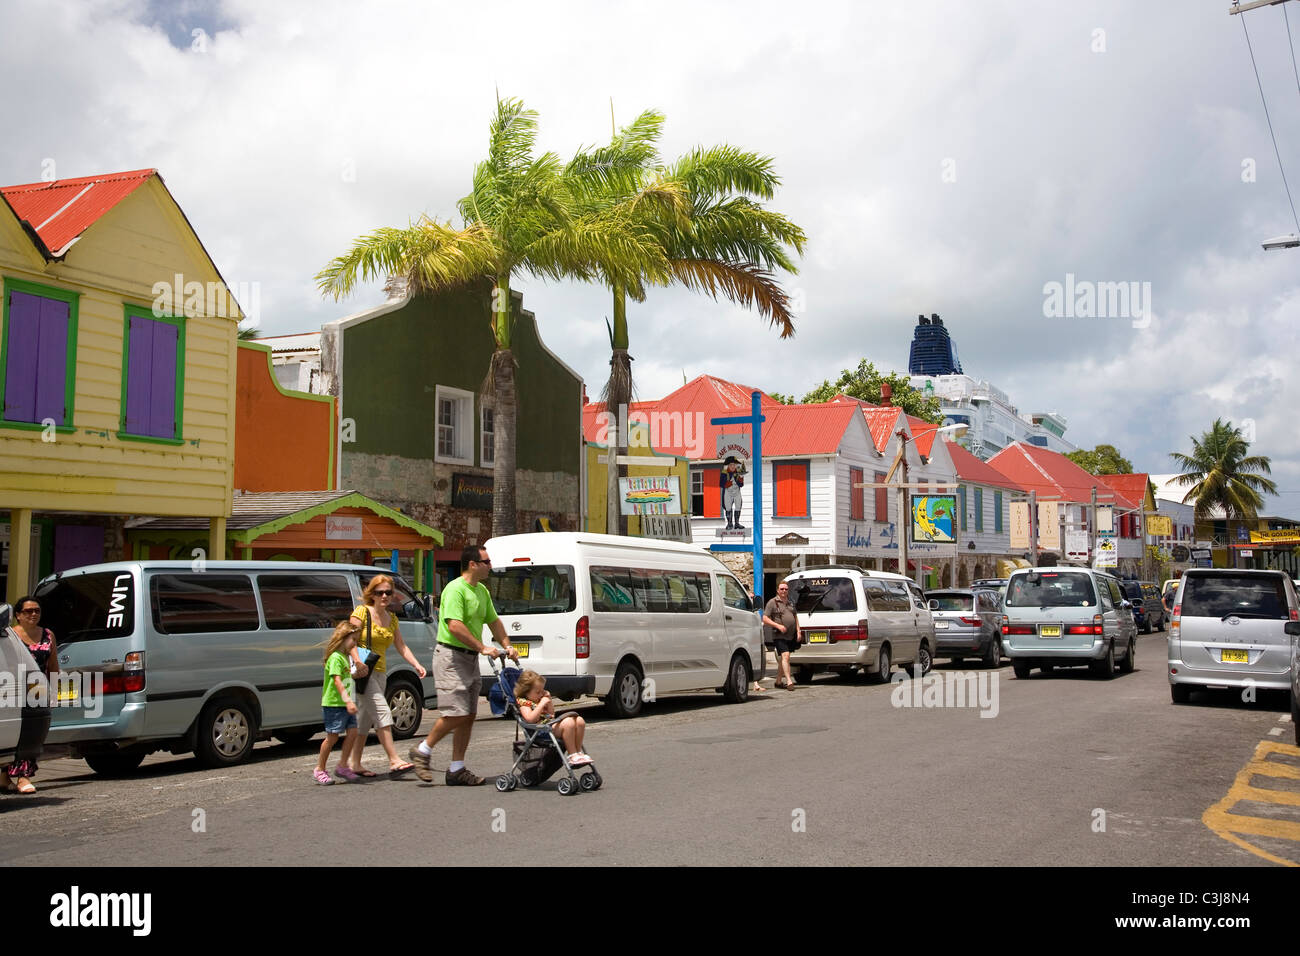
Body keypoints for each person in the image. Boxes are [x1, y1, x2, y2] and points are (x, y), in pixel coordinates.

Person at [409, 545, 519, 786]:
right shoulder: (455, 589)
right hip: (451, 657)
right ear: (473, 564)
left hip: (469, 659)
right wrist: (482, 647)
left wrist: (507, 645)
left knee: (468, 714)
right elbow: (454, 626)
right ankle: (423, 750)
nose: (491, 566)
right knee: (455, 711)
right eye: (487, 562)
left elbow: (494, 621)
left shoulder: (482, 591)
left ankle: (456, 768)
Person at [345, 575, 427, 777]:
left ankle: (354, 763)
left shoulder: (392, 618)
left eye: (388, 592)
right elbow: (349, 640)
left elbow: (401, 645)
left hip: (380, 672)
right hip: (362, 672)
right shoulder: (361, 612)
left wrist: (416, 664)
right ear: (371, 594)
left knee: (364, 718)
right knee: (382, 712)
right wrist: (357, 661)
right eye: (379, 592)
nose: (384, 596)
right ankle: (394, 759)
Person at [2, 596, 56, 794]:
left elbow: (52, 666)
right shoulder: (10, 635)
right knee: (12, 733)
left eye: (37, 611)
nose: (33, 614)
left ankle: (23, 777)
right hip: (13, 688)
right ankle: (5, 775)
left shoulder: (48, 635)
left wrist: (54, 691)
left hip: (37, 690)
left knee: (30, 734)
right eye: (28, 611)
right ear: (17, 615)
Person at [315, 621, 361, 785]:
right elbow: (337, 682)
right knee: (332, 737)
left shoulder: (345, 657)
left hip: (346, 704)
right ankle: (320, 769)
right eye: (353, 640)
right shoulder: (336, 658)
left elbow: (346, 679)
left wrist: (358, 673)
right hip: (335, 704)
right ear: (343, 638)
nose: (355, 644)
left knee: (353, 732)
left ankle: (342, 765)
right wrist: (348, 701)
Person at [514, 669, 590, 764]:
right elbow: (530, 719)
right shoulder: (525, 704)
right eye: (538, 692)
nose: (541, 694)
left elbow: (551, 714)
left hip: (549, 726)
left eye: (542, 691)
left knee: (579, 721)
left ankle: (578, 752)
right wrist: (541, 704)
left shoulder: (538, 699)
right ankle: (572, 754)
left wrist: (548, 700)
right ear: (526, 692)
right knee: (568, 723)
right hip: (539, 732)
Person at [762, 582, 799, 691]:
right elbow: (765, 618)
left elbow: (795, 617)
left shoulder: (790, 603)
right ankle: (789, 681)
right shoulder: (772, 602)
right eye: (782, 589)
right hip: (779, 635)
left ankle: (778, 681)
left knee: (784, 658)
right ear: (778, 590)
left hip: (790, 635)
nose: (784, 591)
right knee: (785, 656)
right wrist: (777, 625)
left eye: (786, 589)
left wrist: (799, 631)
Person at [721, 456, 746, 530]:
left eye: (734, 465)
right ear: (728, 465)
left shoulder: (738, 472)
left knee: (738, 506)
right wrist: (728, 483)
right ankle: (729, 523)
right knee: (728, 507)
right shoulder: (724, 473)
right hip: (728, 492)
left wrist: (741, 478)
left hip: (737, 491)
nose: (733, 466)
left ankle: (737, 523)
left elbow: (741, 485)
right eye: (731, 465)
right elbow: (721, 484)